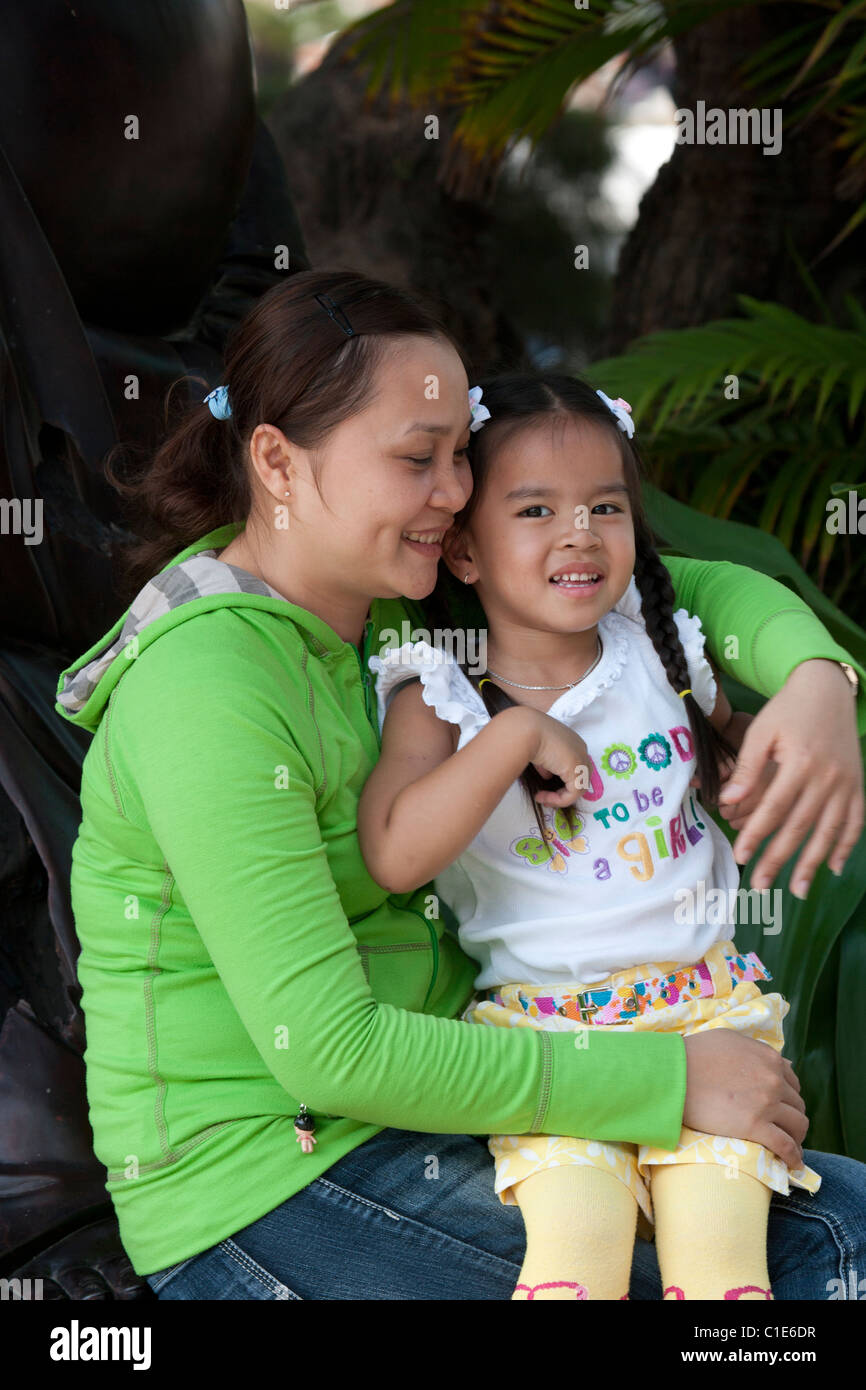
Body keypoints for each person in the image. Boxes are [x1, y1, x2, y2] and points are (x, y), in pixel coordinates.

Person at [53, 270, 866, 1299]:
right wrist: (670, 1082)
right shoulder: (205, 685)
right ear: (276, 462)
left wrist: (815, 677)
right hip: (270, 1180)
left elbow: (671, 585)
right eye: (415, 461)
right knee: (827, 1266)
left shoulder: (397, 611)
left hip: (465, 1104)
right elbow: (329, 1052)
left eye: (457, 458)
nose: (452, 492)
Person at [359, 373, 830, 1301]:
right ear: (461, 550)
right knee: (576, 1262)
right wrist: (514, 735)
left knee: (727, 1270)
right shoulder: (438, 692)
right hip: (554, 1042)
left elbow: (723, 762)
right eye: (535, 509)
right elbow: (395, 852)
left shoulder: (659, 649)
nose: (578, 532)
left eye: (603, 508)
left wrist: (750, 764)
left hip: (709, 1018)